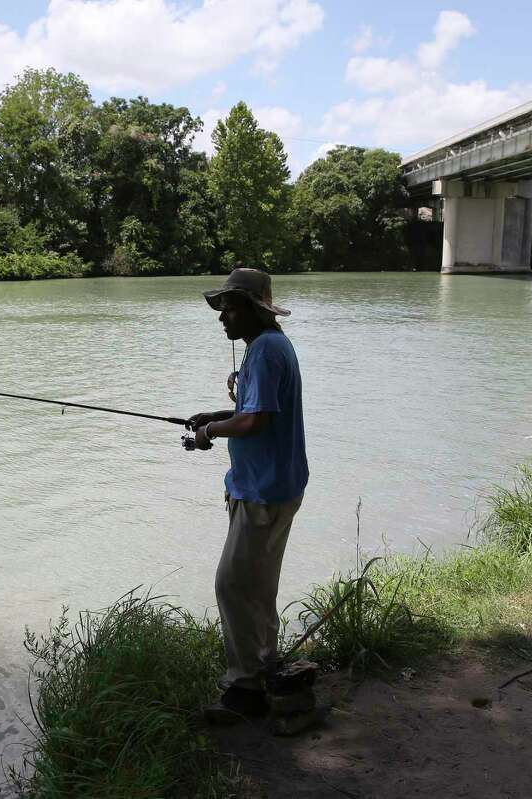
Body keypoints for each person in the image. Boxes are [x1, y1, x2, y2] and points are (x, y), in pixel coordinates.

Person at [187, 267, 309, 724]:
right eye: (221, 309)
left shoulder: (264, 351)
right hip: (272, 484)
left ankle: (244, 690)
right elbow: (258, 410)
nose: (222, 318)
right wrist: (218, 415)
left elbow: (255, 421)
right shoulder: (272, 345)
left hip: (263, 490)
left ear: (255, 310)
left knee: (232, 585)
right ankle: (265, 666)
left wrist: (210, 432)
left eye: (230, 309)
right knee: (257, 587)